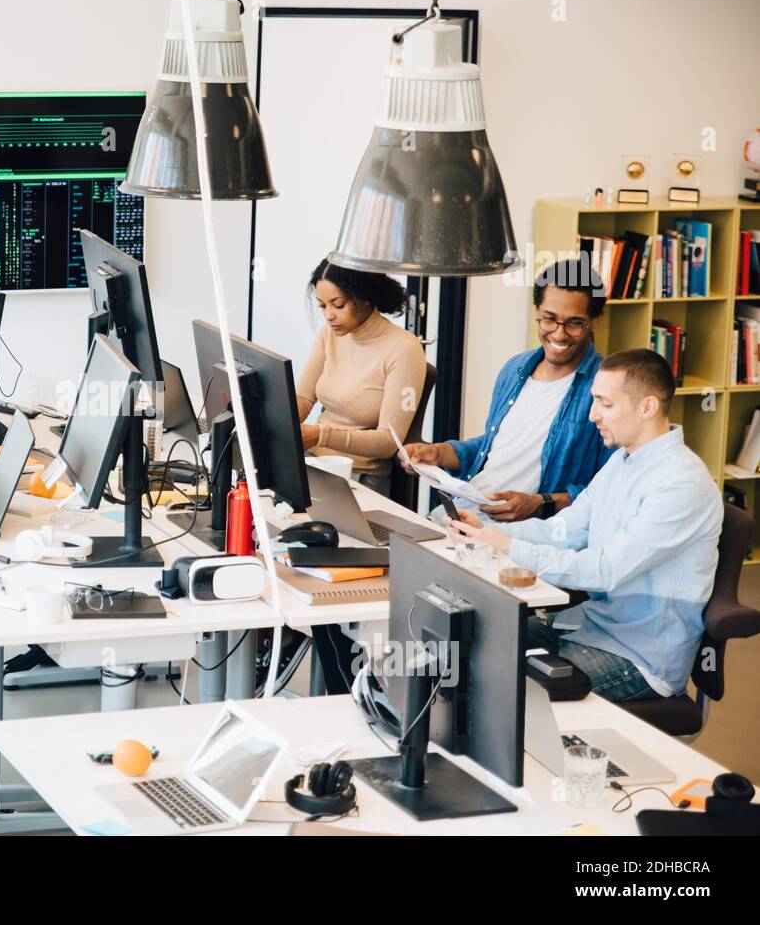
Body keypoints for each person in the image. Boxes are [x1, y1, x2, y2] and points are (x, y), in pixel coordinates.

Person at [448, 349, 723, 701]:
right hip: (586, 626)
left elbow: (604, 570)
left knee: (503, 692)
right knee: (466, 639)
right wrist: (489, 533)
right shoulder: (622, 461)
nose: (593, 415)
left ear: (647, 407)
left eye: (605, 404)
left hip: (637, 654)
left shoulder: (681, 485)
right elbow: (563, 531)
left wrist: (509, 548)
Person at [404, 258, 610, 522]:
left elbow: (609, 489)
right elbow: (498, 446)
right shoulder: (516, 368)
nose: (559, 335)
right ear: (536, 310)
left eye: (574, 323)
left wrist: (541, 504)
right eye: (549, 319)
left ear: (596, 321)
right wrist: (441, 453)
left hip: (520, 533)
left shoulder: (606, 387)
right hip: (462, 513)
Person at [296, 260, 427, 497]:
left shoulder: (403, 349)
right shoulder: (330, 335)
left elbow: (389, 441)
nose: (328, 315)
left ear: (364, 297)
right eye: (322, 306)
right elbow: (303, 399)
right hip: (313, 462)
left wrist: (321, 434)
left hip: (360, 477)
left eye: (338, 305)